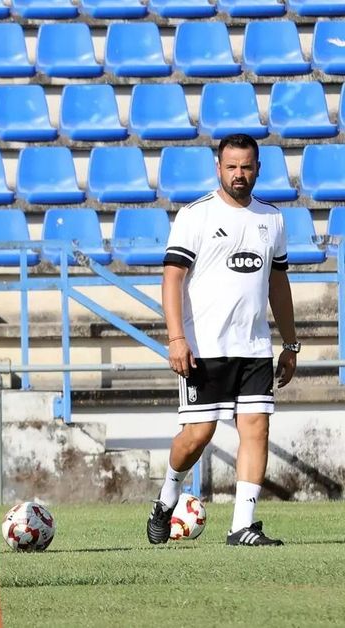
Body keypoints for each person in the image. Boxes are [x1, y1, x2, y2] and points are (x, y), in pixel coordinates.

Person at [147, 134, 298, 547]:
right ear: (219, 168)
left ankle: (241, 526)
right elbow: (172, 279)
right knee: (199, 434)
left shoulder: (272, 219)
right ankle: (166, 499)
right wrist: (176, 339)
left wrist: (291, 342)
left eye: (246, 167)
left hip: (253, 347)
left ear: (258, 169)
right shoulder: (195, 215)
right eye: (231, 167)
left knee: (256, 427)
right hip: (203, 347)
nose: (239, 174)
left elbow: (278, 283)